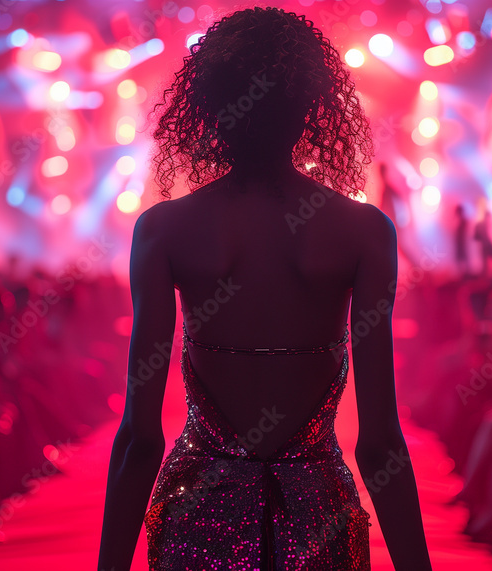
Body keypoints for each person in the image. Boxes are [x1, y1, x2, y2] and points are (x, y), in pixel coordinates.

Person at [97, 7, 431, 570]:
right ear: (313, 108)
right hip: (318, 523)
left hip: (198, 518)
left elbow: (138, 437)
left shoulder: (164, 231)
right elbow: (380, 445)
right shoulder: (365, 233)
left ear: (206, 107)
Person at [454, 204, 469, 277]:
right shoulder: (461, 221)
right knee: (460, 259)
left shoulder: (464, 221)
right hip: (460, 244)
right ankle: (463, 274)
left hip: (462, 244)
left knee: (463, 259)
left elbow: (463, 234)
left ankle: (465, 274)